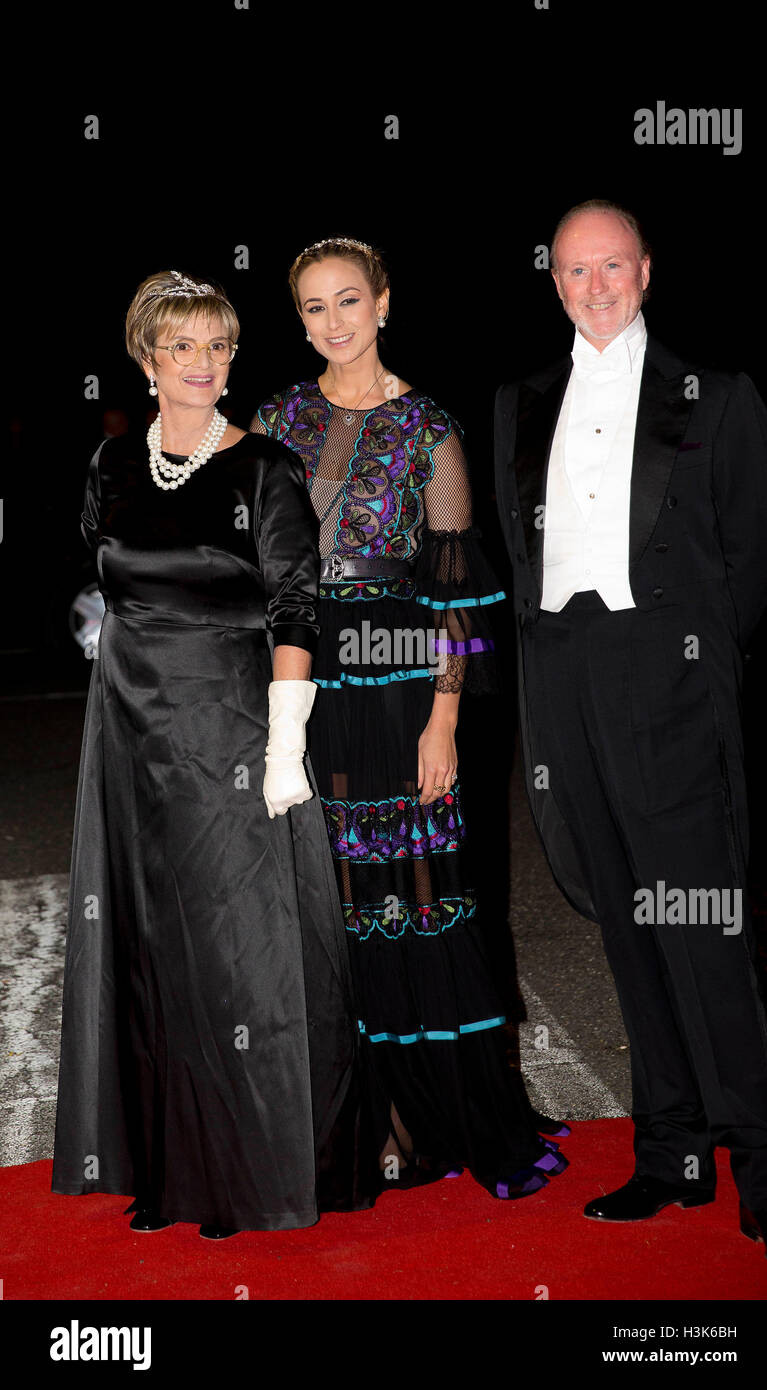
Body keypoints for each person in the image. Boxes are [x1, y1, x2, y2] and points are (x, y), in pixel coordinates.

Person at [52, 270, 375, 1239]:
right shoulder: (111, 464)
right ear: (146, 357)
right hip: (129, 730)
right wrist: (98, 628)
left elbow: (295, 606)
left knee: (238, 961)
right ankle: (171, 1169)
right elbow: (98, 572)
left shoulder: (263, 471)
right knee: (151, 952)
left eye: (220, 346)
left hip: (232, 732)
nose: (204, 364)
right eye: (183, 347)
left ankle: (251, 1172)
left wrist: (285, 746)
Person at [494, 200, 767, 1267]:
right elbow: (518, 563)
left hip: (666, 675)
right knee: (624, 926)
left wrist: (683, 657)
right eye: (576, 270)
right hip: (564, 683)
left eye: (612, 264)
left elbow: (750, 559)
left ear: (646, 271)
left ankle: (766, 1166)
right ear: (556, 282)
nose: (595, 285)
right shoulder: (517, 404)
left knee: (703, 932)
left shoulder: (721, 396)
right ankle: (670, 1156)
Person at [249, 236, 569, 1201]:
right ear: (298, 317)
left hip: (397, 686)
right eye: (313, 307)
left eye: (349, 300)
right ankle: (367, 1120)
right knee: (332, 902)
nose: (333, 321)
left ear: (384, 304)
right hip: (300, 678)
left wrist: (444, 722)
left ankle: (447, 1113)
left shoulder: (429, 429)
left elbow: (458, 594)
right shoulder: (273, 420)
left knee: (418, 898)